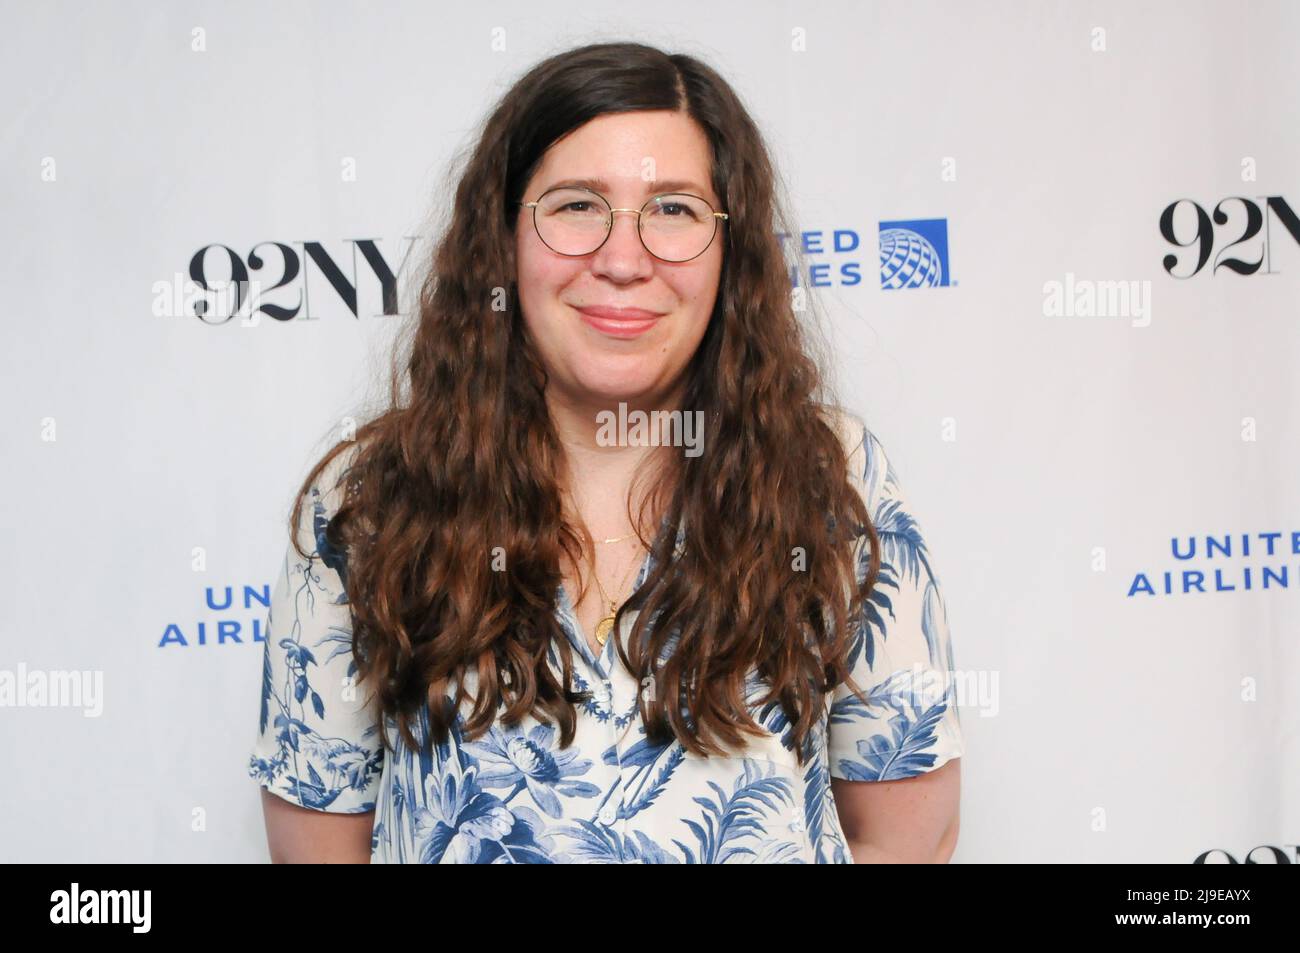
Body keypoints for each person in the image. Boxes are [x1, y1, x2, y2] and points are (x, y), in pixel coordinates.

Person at [247, 40, 962, 863]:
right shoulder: (369, 500)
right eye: (577, 204)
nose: (624, 260)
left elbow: (911, 835)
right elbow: (316, 848)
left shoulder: (830, 476)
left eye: (675, 209)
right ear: (504, 240)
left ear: (730, 255)